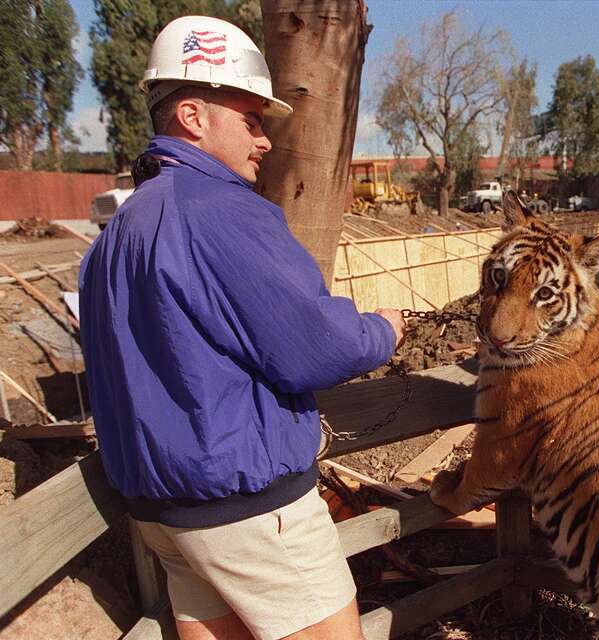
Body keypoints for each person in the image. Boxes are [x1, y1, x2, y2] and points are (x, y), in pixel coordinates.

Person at [79, 15, 405, 640]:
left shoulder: (115, 236)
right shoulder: (224, 212)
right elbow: (313, 345)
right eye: (252, 121)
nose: (264, 141)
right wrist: (383, 330)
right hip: (249, 514)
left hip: (164, 516)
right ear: (193, 117)